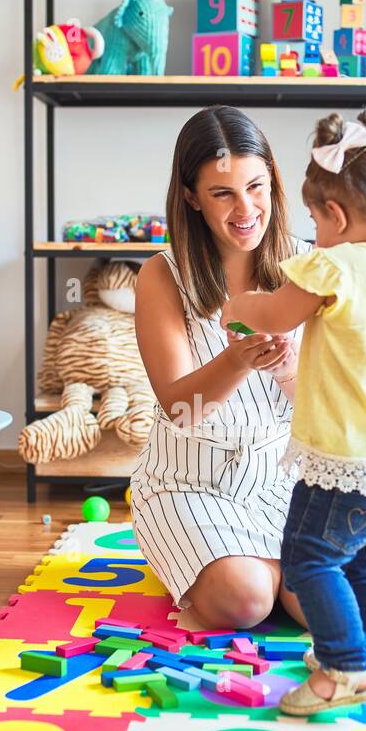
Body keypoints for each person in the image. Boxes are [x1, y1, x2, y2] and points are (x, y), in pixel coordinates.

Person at [223, 103, 366, 714]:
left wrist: (233, 307)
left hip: (346, 460)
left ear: (335, 214)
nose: (314, 230)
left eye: (314, 218)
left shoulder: (335, 263)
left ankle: (343, 668)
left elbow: (273, 313)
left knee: (307, 559)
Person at [130, 106, 309, 631]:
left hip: (281, 478)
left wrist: (291, 369)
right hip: (188, 480)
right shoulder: (162, 276)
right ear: (191, 197)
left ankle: (264, 566)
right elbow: (180, 409)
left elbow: (327, 406)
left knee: (318, 605)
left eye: (256, 187)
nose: (246, 208)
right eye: (222, 193)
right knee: (246, 601)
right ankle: (241, 569)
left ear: (273, 181)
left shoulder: (309, 266)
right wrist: (235, 360)